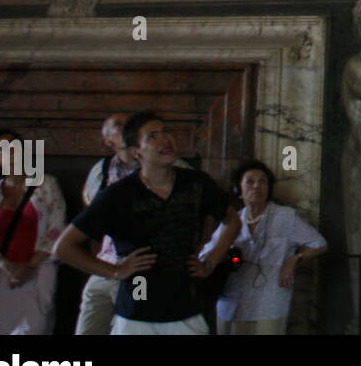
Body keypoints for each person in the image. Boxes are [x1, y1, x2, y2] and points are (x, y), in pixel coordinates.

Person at [53, 112, 240, 334]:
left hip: (185, 306)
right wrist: (114, 271)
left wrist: (210, 262)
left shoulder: (196, 183)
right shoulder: (118, 195)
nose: (165, 139)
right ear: (136, 152)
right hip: (136, 311)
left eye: (166, 132)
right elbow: (64, 248)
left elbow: (232, 221)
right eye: (152, 136)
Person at [74, 114, 192, 335]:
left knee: (137, 326)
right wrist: (109, 266)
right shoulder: (102, 170)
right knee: (88, 328)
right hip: (108, 265)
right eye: (118, 126)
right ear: (108, 141)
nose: (127, 126)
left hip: (146, 271)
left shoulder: (173, 168)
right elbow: (89, 219)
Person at [202, 160, 327, 335]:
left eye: (262, 181)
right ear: (239, 190)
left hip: (269, 302)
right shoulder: (232, 221)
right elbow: (206, 252)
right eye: (250, 182)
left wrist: (294, 259)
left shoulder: (285, 217)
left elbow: (319, 244)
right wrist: (222, 256)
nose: (257, 186)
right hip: (233, 301)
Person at [0, 129, 66, 335]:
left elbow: (57, 228)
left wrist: (28, 266)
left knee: (33, 328)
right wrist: (6, 265)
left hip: (36, 271)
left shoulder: (45, 184)